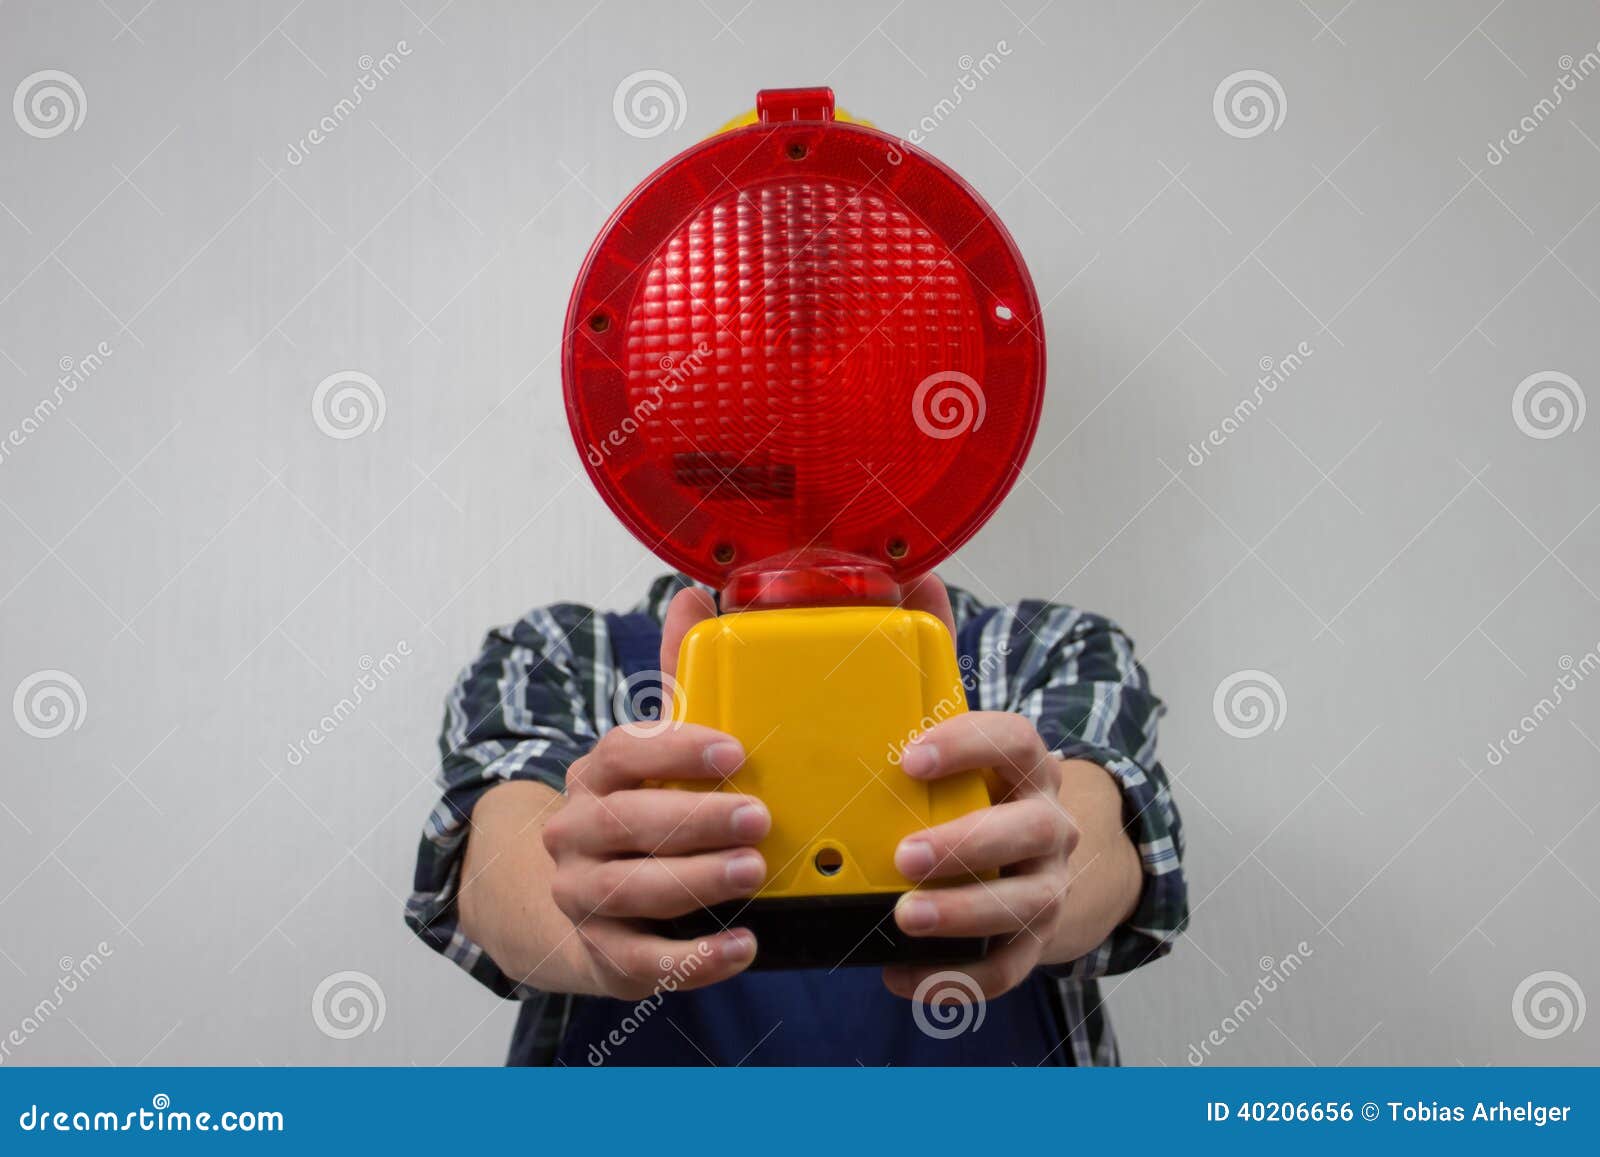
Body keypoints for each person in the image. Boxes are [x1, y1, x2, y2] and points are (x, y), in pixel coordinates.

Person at [405, 572, 1187, 1065]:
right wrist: (579, 913)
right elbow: (492, 854)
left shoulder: (1044, 649)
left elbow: (1104, 821)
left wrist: (1048, 874)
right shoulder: (560, 653)